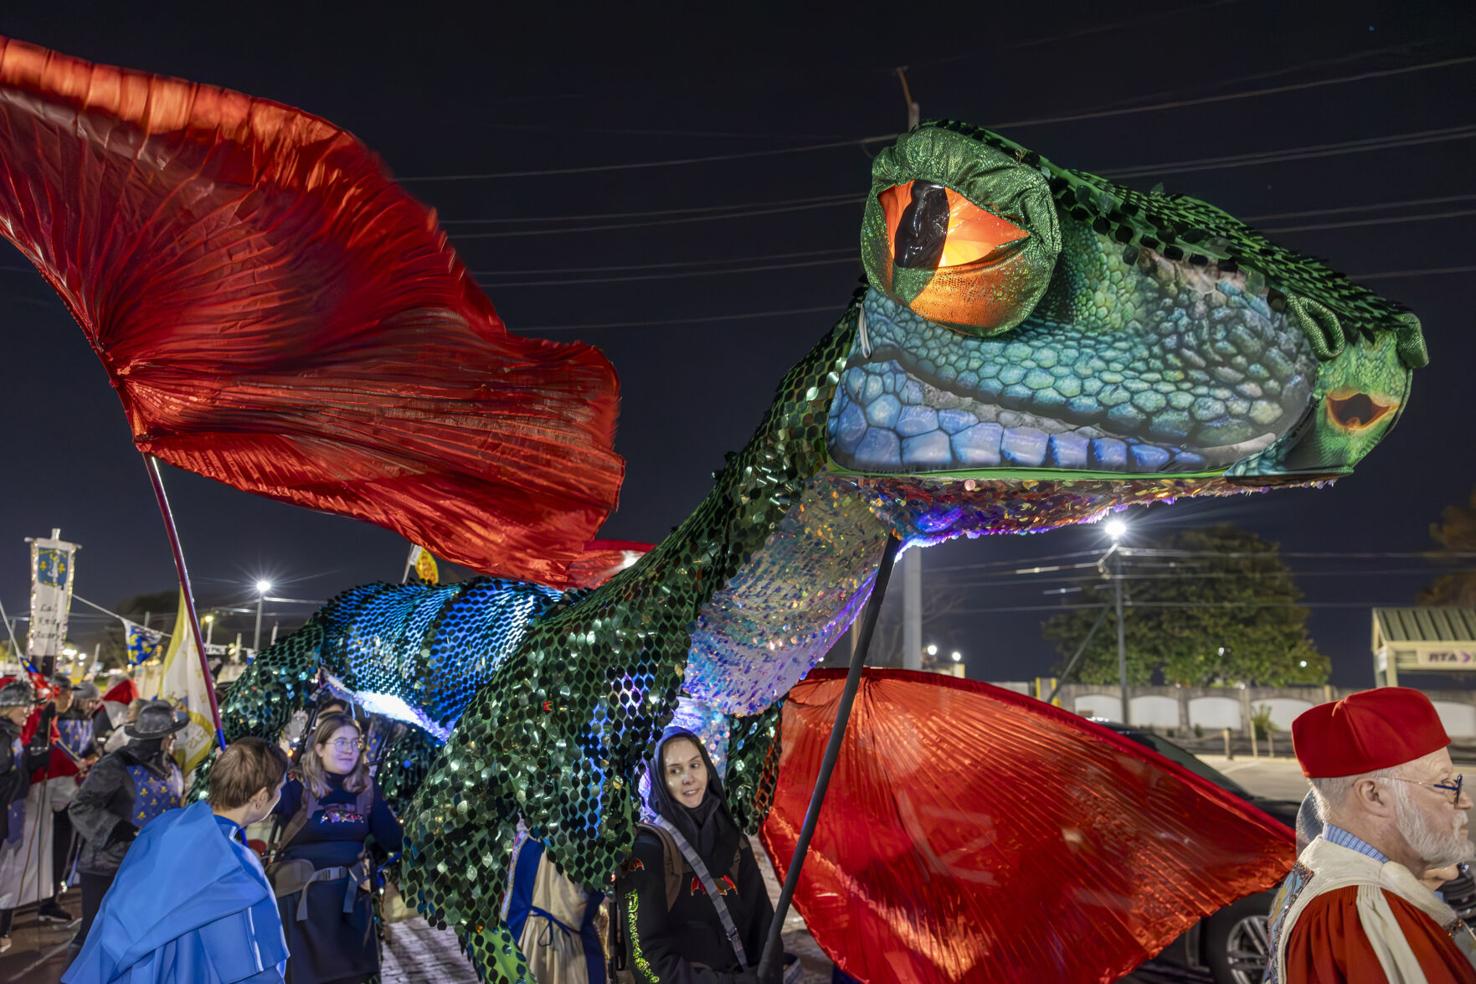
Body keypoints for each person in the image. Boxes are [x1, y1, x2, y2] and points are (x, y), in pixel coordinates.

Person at [1267, 687, 1476, 982]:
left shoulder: (1321, 863)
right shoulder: (1358, 911)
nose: (1464, 801)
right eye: (1443, 784)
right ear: (1374, 795)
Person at [63, 736, 291, 983]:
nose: (280, 795)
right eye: (279, 789)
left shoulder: (162, 825)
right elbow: (252, 965)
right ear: (260, 797)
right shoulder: (239, 872)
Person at [614, 729, 776, 984]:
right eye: (674, 770)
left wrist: (768, 976)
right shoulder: (646, 850)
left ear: (707, 769)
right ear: (659, 779)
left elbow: (765, 927)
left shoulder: (733, 840)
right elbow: (647, 961)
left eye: (694, 765)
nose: (688, 777)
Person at [268, 711, 401, 984]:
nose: (350, 750)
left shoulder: (366, 789)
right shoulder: (297, 788)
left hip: (350, 909)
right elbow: (254, 806)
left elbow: (393, 840)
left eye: (355, 743)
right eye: (341, 742)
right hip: (302, 910)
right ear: (319, 748)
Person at [67, 700, 187, 945]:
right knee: (95, 937)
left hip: (149, 868)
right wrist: (120, 829)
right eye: (171, 734)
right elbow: (81, 806)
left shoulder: (172, 767)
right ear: (162, 738)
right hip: (107, 867)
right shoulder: (116, 764)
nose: (174, 739)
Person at [0, 679, 52, 953]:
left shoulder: (11, 733)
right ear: (9, 707)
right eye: (25, 705)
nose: (28, 711)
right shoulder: (2, 735)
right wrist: (23, 772)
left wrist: (31, 761)